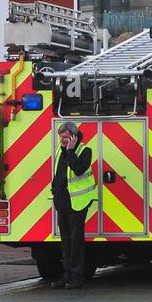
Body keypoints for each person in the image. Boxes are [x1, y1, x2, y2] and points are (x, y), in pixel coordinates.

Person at [51, 121, 95, 290]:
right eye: (61, 137)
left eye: (65, 137)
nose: (62, 140)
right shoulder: (60, 151)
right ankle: (67, 275)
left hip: (78, 203)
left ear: (73, 137)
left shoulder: (85, 151)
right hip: (62, 202)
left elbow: (78, 169)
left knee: (76, 242)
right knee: (66, 243)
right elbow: (58, 173)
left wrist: (70, 151)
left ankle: (77, 277)